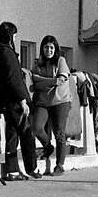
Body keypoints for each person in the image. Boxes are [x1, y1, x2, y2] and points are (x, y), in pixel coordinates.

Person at [0, 21, 39, 180]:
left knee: (12, 135)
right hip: (14, 100)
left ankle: (12, 170)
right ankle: (31, 168)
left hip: (3, 100)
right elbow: (14, 78)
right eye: (14, 35)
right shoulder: (6, 52)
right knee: (26, 134)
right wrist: (22, 100)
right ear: (9, 35)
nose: (15, 38)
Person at [29, 35, 72, 176]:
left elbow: (60, 80)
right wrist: (51, 81)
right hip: (43, 102)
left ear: (56, 49)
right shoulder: (38, 63)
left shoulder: (61, 61)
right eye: (46, 47)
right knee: (36, 127)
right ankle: (48, 146)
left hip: (61, 101)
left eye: (52, 47)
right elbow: (34, 82)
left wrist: (42, 81)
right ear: (42, 48)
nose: (49, 50)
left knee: (59, 133)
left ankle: (59, 165)